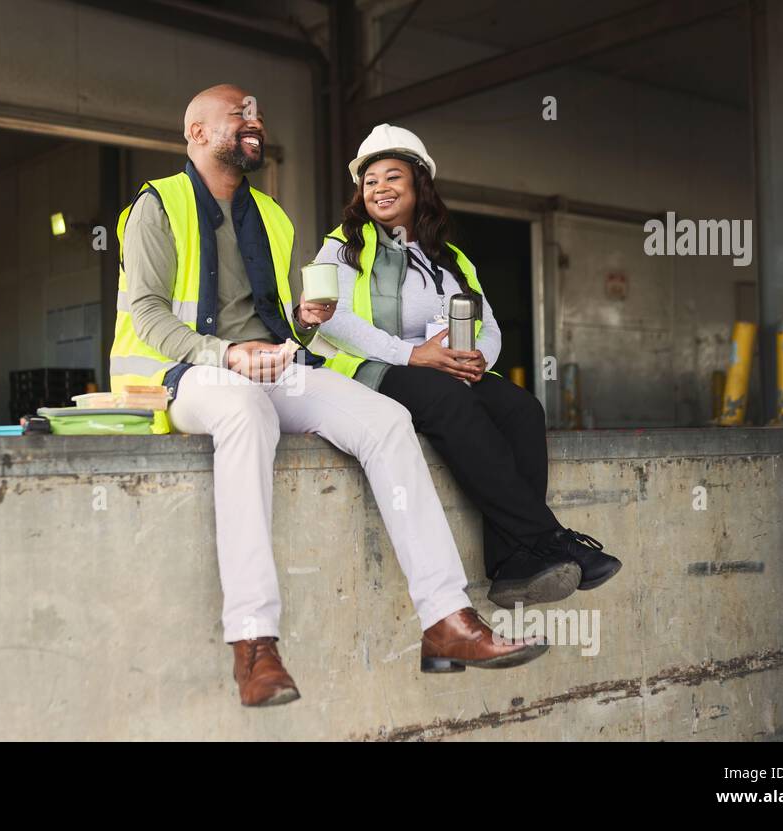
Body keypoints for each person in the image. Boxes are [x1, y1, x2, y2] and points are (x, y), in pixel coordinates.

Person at [111, 86, 547, 708]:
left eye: (258, 113)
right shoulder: (157, 205)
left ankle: (446, 618)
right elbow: (149, 313)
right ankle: (254, 643)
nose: (255, 122)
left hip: (270, 363)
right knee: (246, 414)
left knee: (387, 417)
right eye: (241, 115)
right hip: (184, 373)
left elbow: (273, 323)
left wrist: (305, 322)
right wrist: (226, 355)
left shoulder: (273, 216)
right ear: (199, 133)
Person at [313, 124, 623, 607]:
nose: (380, 189)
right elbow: (331, 321)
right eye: (370, 181)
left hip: (441, 372)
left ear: (419, 185)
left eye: (392, 177)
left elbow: (488, 325)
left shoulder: (450, 258)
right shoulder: (344, 246)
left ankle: (512, 565)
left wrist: (478, 360)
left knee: (521, 409)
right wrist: (413, 354)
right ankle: (548, 538)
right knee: (448, 398)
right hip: (372, 371)